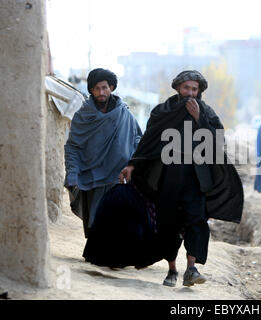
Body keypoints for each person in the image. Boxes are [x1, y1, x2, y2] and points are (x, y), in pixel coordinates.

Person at [119, 70, 244, 287]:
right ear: (178, 87)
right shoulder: (163, 111)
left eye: (194, 89)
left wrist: (198, 119)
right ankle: (172, 269)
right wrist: (132, 164)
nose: (190, 93)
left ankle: (191, 268)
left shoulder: (206, 112)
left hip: (197, 176)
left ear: (199, 91)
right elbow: (148, 141)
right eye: (186, 88)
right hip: (168, 175)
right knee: (167, 221)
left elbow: (218, 140)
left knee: (196, 219)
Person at [64, 68, 143, 238]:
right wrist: (72, 173)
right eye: (97, 88)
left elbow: (138, 139)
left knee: (118, 219)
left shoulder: (125, 114)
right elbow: (73, 146)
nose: (101, 92)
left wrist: (132, 165)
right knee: (95, 219)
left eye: (104, 87)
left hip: (118, 177)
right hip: (92, 176)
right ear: (91, 90)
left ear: (112, 87)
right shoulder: (82, 116)